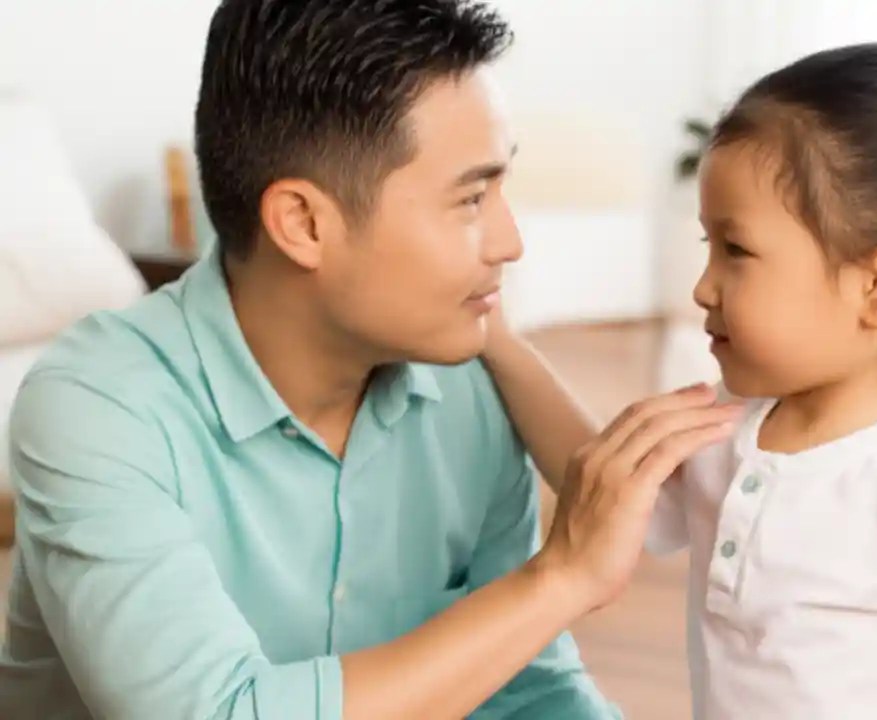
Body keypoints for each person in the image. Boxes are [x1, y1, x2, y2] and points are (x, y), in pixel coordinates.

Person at [0, 1, 742, 718]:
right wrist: (563, 574)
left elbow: (522, 689)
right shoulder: (97, 408)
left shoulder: (470, 387)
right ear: (304, 223)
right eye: (471, 199)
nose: (511, 241)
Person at [484, 42, 877, 720]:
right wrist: (501, 345)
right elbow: (598, 482)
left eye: (736, 250)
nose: (703, 285)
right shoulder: (722, 427)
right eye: (706, 246)